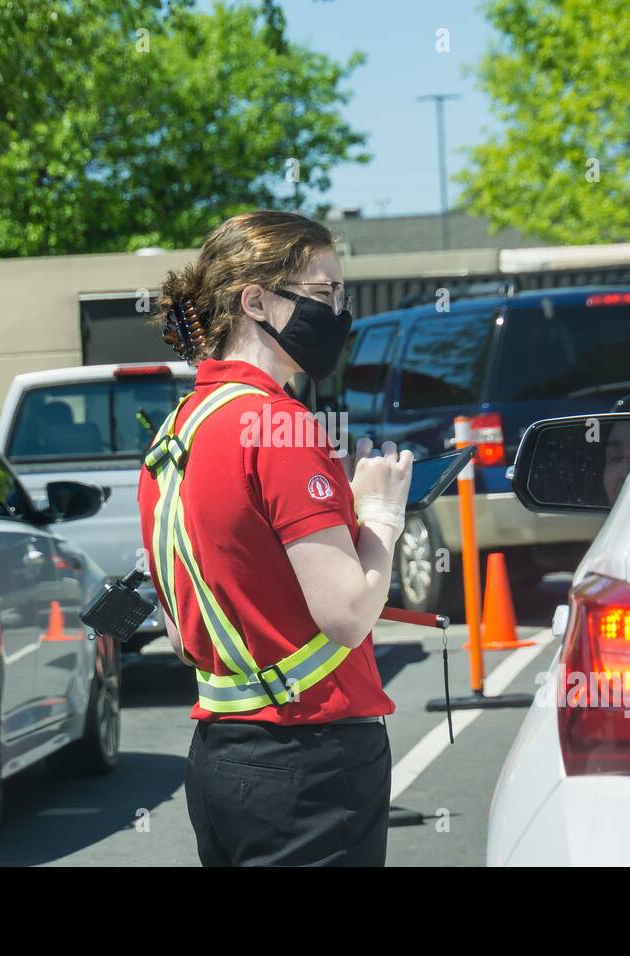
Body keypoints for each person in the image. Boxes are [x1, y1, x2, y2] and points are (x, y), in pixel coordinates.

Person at [136, 210, 413, 866]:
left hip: (220, 764)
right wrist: (382, 514)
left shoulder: (175, 435)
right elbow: (346, 614)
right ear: (254, 300)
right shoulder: (280, 427)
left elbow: (182, 639)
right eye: (323, 295)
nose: (339, 314)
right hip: (312, 764)